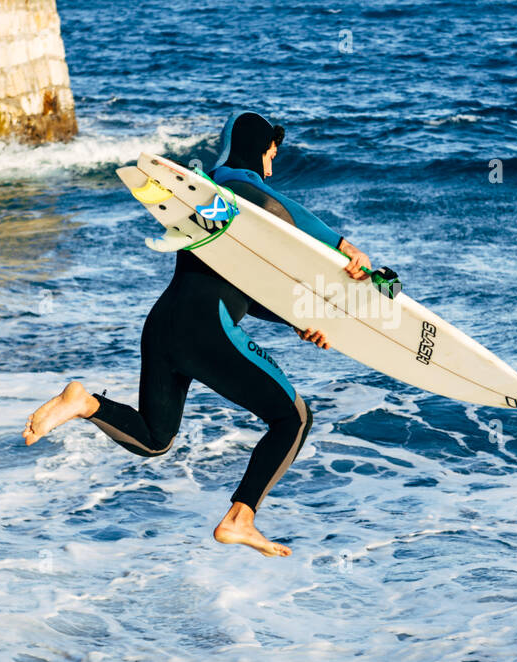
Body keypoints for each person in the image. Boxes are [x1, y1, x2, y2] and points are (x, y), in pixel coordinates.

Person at [22, 111, 372, 557]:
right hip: (207, 329)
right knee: (294, 419)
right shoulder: (237, 192)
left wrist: (298, 323)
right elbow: (276, 208)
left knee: (154, 439)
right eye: (271, 152)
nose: (273, 163)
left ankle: (84, 402)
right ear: (259, 148)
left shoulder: (211, 204)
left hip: (165, 325)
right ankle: (240, 519)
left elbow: (244, 290)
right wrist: (342, 246)